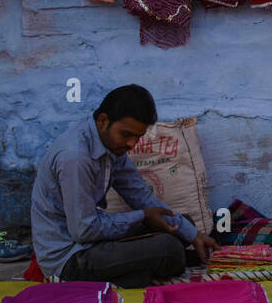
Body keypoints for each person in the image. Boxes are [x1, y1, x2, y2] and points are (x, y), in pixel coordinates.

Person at [31, 84, 218, 287]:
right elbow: (83, 231)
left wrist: (193, 234)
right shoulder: (76, 158)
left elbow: (140, 197)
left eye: (137, 137)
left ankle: (138, 274)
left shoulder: (111, 146)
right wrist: (143, 217)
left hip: (93, 240)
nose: (131, 144)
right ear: (103, 121)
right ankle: (135, 275)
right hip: (71, 257)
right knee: (168, 249)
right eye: (126, 134)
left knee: (180, 225)